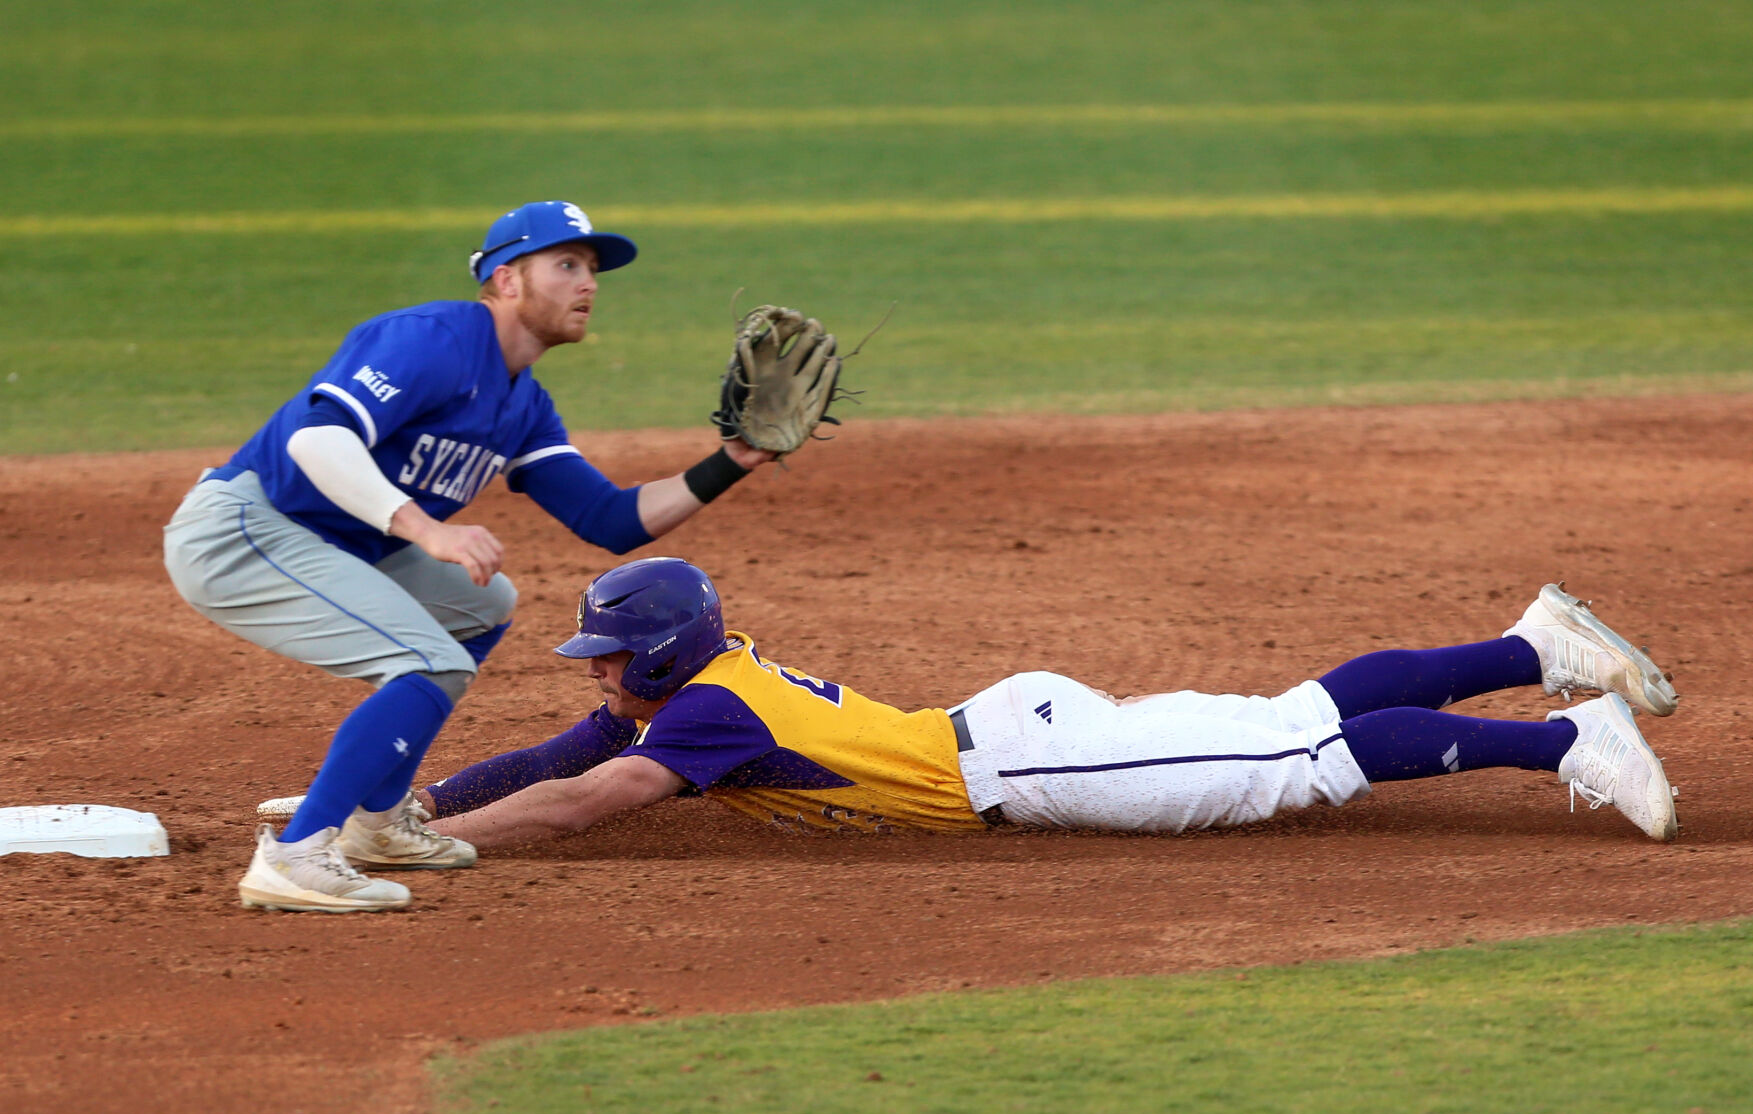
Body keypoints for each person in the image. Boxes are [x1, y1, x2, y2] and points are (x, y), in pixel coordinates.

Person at [166, 202, 785, 913]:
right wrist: (426, 530)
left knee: (483, 605)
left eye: (591, 270)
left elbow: (609, 519)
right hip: (245, 527)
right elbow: (317, 439)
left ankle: (379, 823)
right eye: (566, 265)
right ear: (505, 278)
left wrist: (731, 461)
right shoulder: (434, 340)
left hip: (333, 541)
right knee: (430, 661)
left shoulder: (522, 402)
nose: (587, 284)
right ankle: (297, 854)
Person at [284, 558, 1678, 851]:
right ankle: (1527, 639)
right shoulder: (693, 683)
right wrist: (395, 805)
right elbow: (552, 752)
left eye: (604, 654)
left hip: (1032, 761)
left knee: (1293, 751)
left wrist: (440, 847)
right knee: (1285, 713)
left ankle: (1567, 727)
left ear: (654, 653)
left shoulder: (702, 710)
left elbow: (593, 795)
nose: (592, 674)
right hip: (1014, 737)